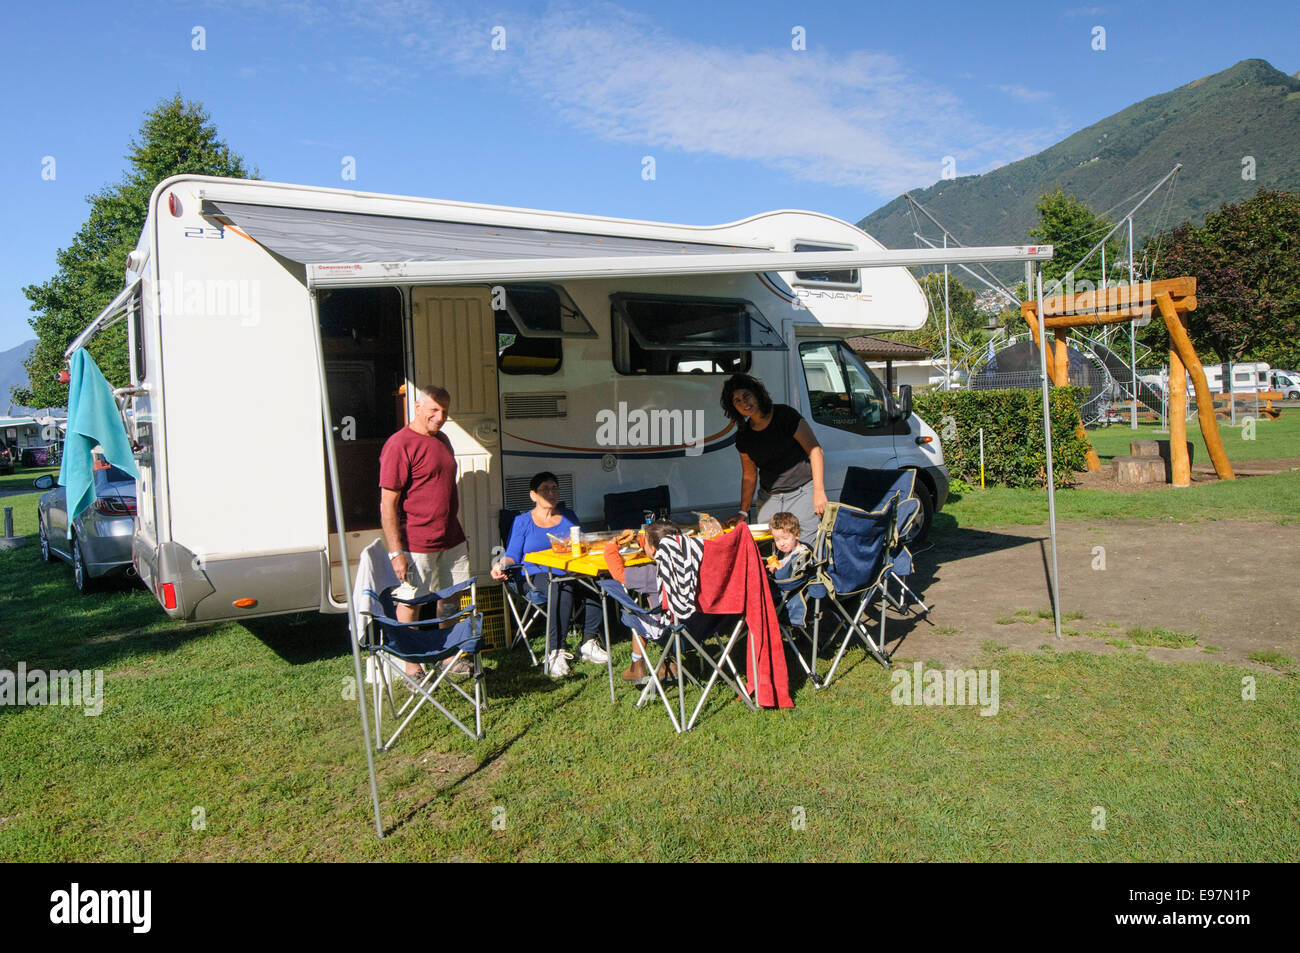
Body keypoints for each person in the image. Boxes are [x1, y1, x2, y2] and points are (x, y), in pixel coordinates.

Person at [379, 384, 471, 679]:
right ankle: (411, 665)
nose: (440, 416)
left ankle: (448, 657)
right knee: (411, 602)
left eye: (444, 411)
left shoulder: (442, 439)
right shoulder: (399, 444)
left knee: (452, 597)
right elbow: (388, 505)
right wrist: (396, 552)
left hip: (451, 538)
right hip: (416, 542)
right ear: (417, 407)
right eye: (433, 410)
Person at [490, 471, 609, 678]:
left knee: (597, 583)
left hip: (570, 569)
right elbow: (512, 555)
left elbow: (580, 544)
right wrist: (500, 565)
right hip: (534, 574)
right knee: (561, 587)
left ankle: (588, 642)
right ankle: (556, 652)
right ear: (533, 495)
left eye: (554, 488)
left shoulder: (568, 516)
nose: (551, 493)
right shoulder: (522, 521)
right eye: (545, 489)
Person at [721, 373, 826, 546]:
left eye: (746, 396)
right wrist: (743, 512)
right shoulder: (744, 435)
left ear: (757, 394)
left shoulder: (785, 415)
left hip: (801, 492)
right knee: (771, 547)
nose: (744, 403)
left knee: (805, 546)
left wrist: (819, 492)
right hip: (769, 497)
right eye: (737, 401)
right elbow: (749, 475)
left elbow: (815, 451)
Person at [765, 511, 813, 628]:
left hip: (791, 601)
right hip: (787, 596)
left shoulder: (801, 555)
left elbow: (789, 576)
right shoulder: (789, 552)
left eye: (785, 538)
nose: (781, 543)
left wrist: (778, 570)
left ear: (797, 534)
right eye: (777, 539)